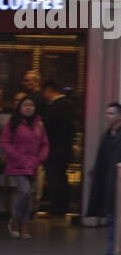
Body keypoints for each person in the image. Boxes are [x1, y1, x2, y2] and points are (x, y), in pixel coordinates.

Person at [0, 97, 49, 239]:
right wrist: (16, 156)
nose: (28, 108)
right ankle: (15, 220)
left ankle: (24, 224)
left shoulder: (39, 125)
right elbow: (4, 142)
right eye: (25, 105)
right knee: (25, 191)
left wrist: (40, 158)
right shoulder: (12, 124)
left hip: (33, 165)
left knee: (29, 196)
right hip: (17, 163)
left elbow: (45, 144)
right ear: (20, 108)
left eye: (31, 105)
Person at [87, 102, 121, 255]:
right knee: (111, 219)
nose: (108, 116)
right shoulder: (106, 136)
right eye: (107, 113)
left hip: (118, 182)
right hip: (109, 182)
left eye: (112, 114)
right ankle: (111, 251)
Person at [41, 81, 75, 216]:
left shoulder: (55, 107)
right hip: (65, 149)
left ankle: (56, 208)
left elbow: (49, 127)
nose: (44, 95)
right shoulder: (69, 105)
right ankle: (63, 206)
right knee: (62, 178)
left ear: (50, 90)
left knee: (54, 178)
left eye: (45, 92)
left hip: (54, 149)